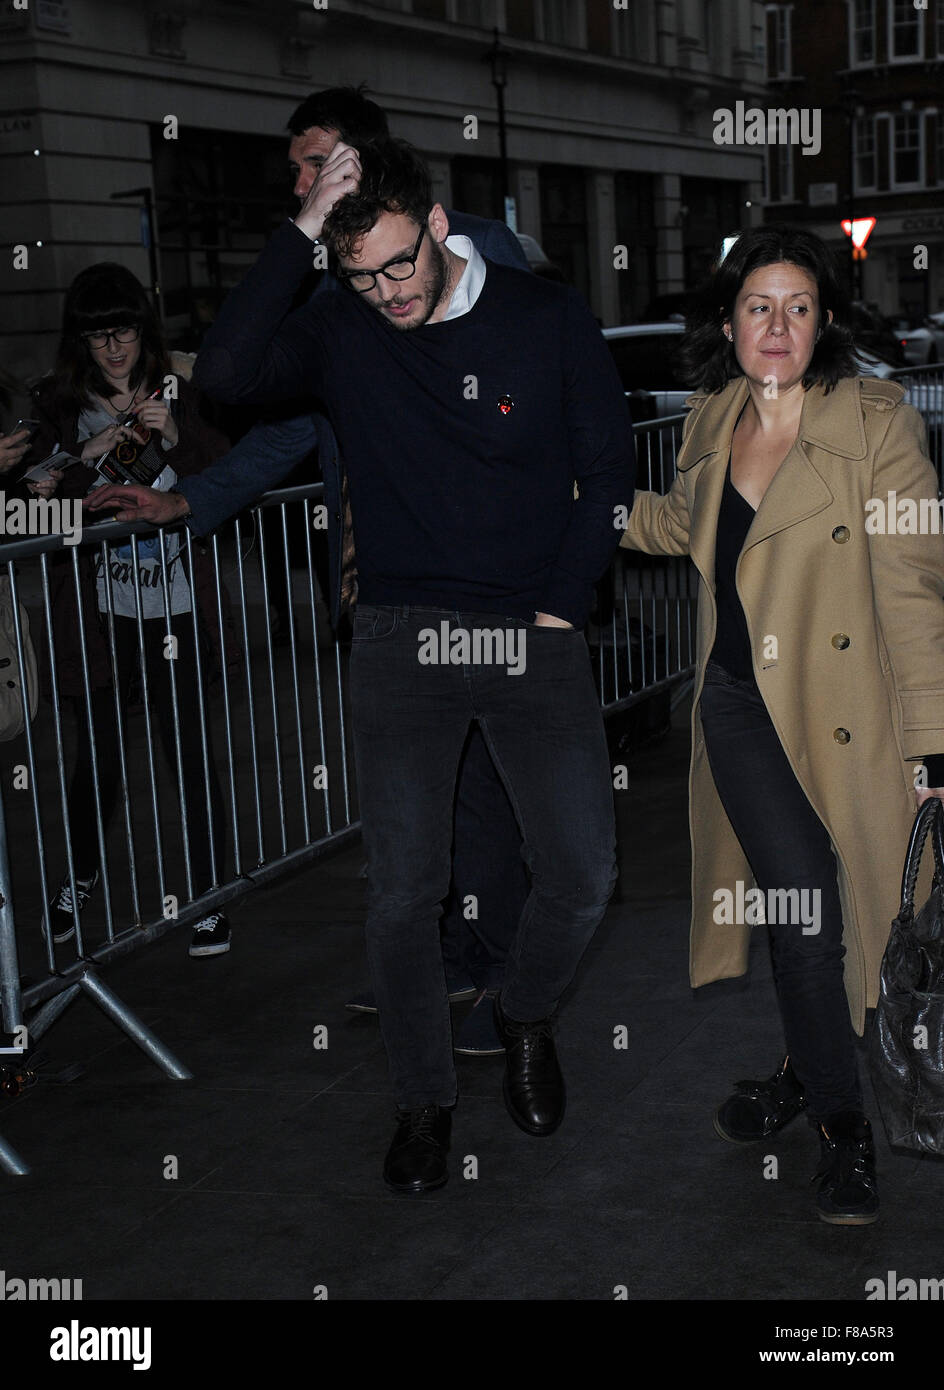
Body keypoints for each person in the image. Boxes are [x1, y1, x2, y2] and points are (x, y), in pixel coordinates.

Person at [184, 135, 633, 1193]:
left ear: (437, 226)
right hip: (399, 634)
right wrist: (302, 233)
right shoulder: (341, 326)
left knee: (582, 875)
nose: (386, 292)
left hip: (529, 632)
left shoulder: (544, 315)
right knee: (403, 893)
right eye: (361, 274)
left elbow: (609, 468)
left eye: (398, 264)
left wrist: (561, 606)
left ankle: (522, 1014)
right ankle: (423, 1099)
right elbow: (224, 374)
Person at [89, 87, 531, 1055]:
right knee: (421, 793)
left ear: (359, 163)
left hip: (480, 582)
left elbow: (532, 401)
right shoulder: (336, 290)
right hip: (380, 593)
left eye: (311, 165)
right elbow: (276, 416)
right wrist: (188, 501)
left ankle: (508, 982)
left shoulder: (479, 247)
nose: (296, 183)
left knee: (486, 784)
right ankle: (455, 957)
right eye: (294, 171)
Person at [619, 223, 944, 1224]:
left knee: (866, 919)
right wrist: (588, 508)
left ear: (824, 322)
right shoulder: (711, 420)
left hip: (847, 711)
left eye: (797, 307)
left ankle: (806, 1071)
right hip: (738, 708)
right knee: (804, 914)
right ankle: (844, 1129)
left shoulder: (878, 426)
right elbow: (684, 525)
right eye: (757, 306)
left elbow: (914, 589)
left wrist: (932, 742)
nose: (776, 325)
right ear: (727, 323)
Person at [28, 263, 233, 957]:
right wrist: (80, 455)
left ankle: (208, 896)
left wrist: (175, 435)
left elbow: (227, 476)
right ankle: (78, 879)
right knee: (99, 760)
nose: (114, 348)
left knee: (189, 755)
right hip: (100, 614)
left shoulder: (181, 392)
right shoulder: (58, 407)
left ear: (144, 330)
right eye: (98, 336)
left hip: (176, 607)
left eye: (123, 331)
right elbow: (33, 508)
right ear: (79, 341)